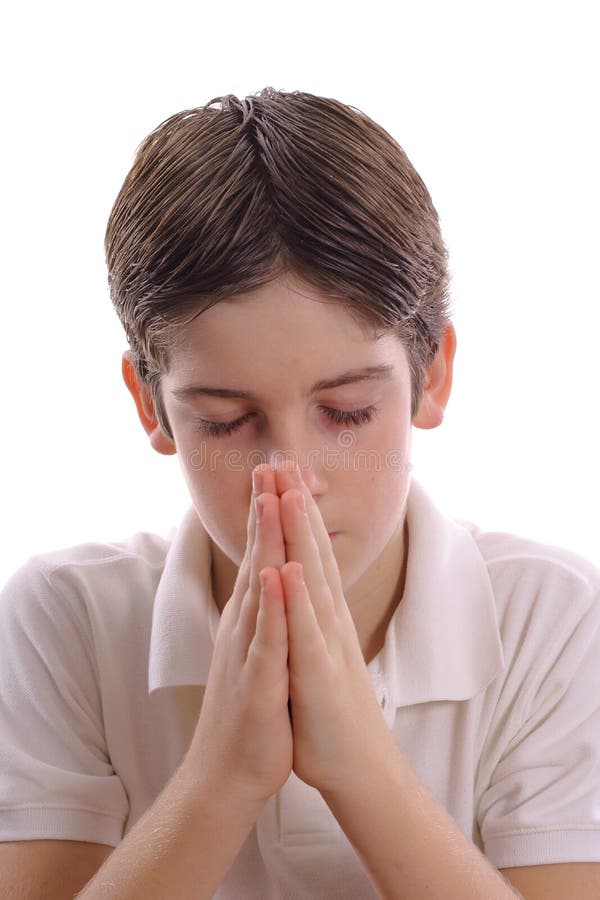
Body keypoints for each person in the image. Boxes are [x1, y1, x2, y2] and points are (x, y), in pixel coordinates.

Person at [1, 88, 599, 900]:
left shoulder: (553, 620)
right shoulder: (67, 618)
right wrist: (219, 782)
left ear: (433, 377)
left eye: (347, 412)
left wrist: (360, 768)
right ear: (152, 406)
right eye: (226, 420)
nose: (290, 477)